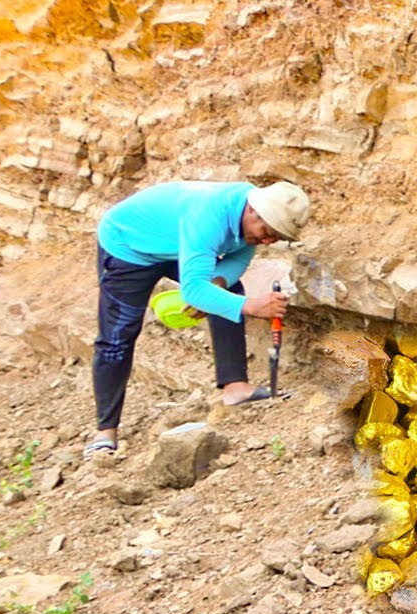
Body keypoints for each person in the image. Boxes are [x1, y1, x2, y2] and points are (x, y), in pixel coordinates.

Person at [83, 180, 310, 461]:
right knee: (119, 334)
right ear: (252, 211)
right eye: (266, 233)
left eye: (274, 238)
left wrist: (216, 284)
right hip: (129, 244)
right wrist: (251, 306)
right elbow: (192, 290)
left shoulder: (252, 212)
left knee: (227, 289)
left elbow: (237, 262)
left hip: (178, 242)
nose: (266, 241)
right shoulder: (210, 217)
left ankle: (235, 388)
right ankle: (105, 432)